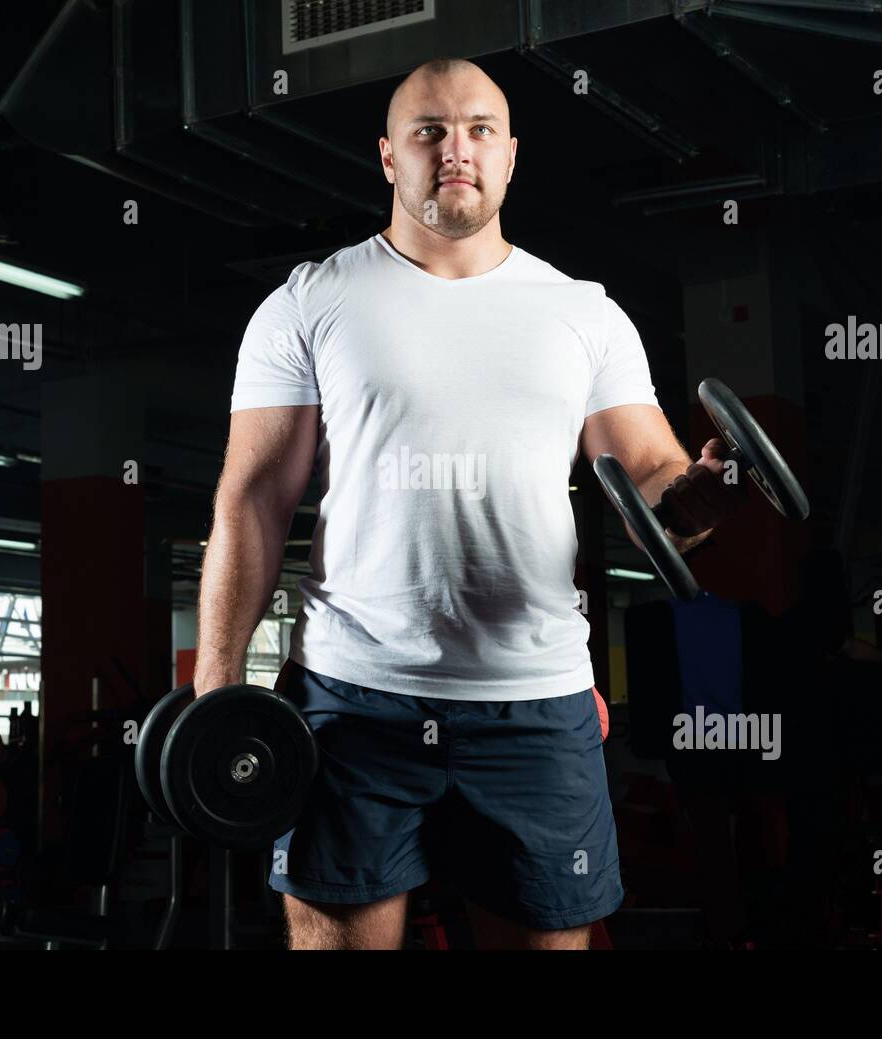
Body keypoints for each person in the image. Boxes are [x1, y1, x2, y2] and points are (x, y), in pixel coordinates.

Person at [194, 57, 743, 950]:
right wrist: (214, 688)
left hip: (534, 702)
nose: (458, 150)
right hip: (352, 703)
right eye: (431, 131)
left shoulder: (582, 313)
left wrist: (700, 491)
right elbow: (253, 500)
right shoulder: (309, 302)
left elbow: (652, 475)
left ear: (512, 155)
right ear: (387, 157)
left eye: (481, 129)